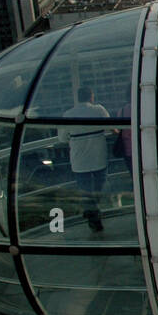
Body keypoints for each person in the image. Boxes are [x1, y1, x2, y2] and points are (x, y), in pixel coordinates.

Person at [61, 85, 110, 233]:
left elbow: (62, 138)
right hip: (98, 156)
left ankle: (92, 213)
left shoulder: (68, 115)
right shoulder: (99, 110)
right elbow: (110, 127)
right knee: (98, 187)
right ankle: (93, 213)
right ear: (91, 96)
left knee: (85, 190)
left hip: (79, 160)